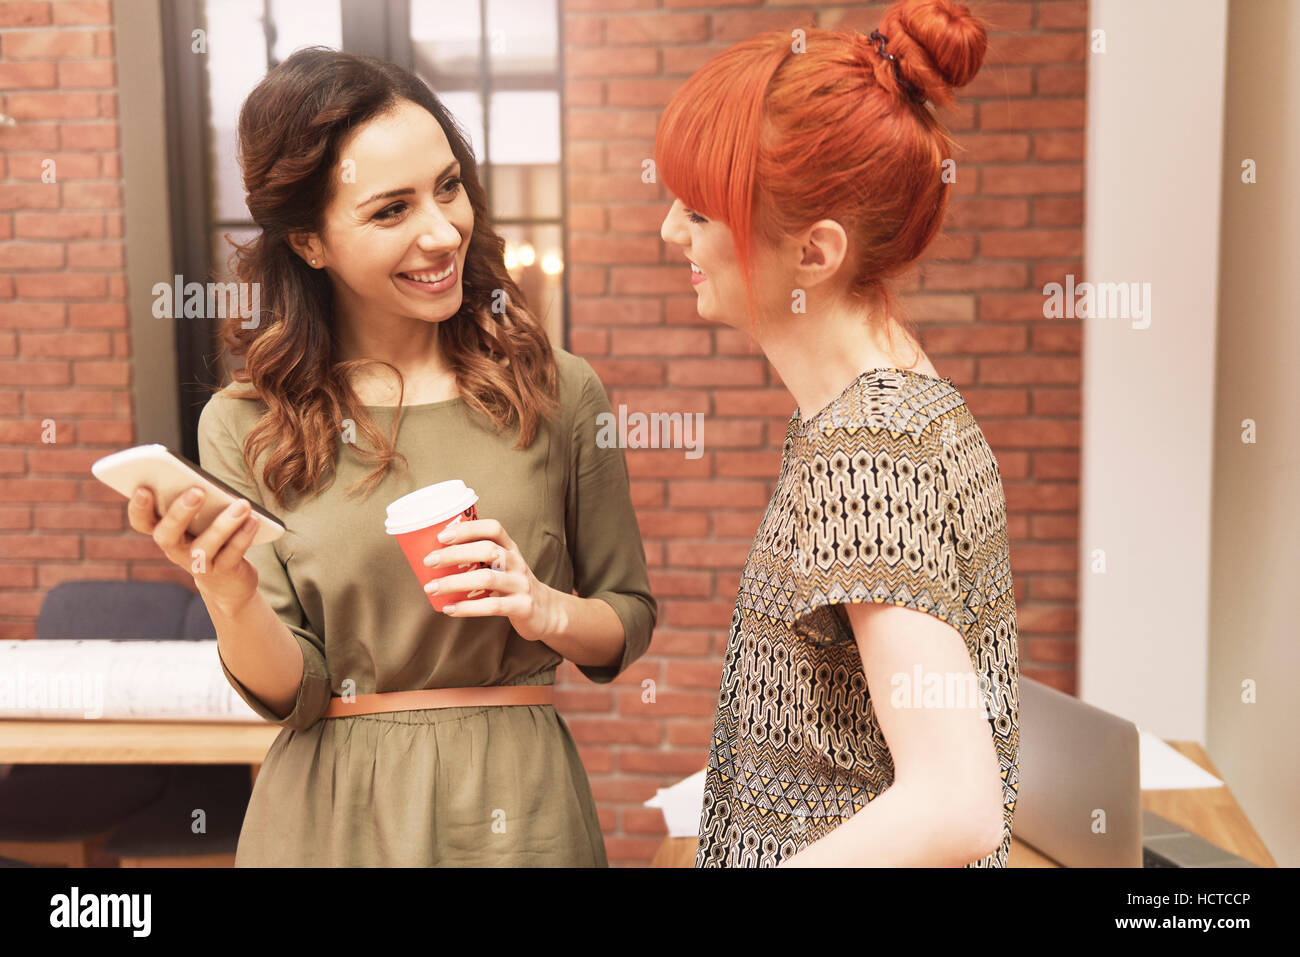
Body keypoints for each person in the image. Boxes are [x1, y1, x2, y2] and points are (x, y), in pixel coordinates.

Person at [126, 48, 656, 866]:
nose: (442, 232)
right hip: (330, 822)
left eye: (448, 188)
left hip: (522, 815)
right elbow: (293, 693)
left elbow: (626, 617)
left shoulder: (559, 390)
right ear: (308, 242)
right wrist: (226, 591)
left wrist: (541, 606)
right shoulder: (246, 424)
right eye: (390, 211)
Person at [656, 0, 1020, 866]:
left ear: (814, 254)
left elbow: (955, 804)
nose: (671, 230)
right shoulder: (897, 400)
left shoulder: (872, 448)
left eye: (700, 214)